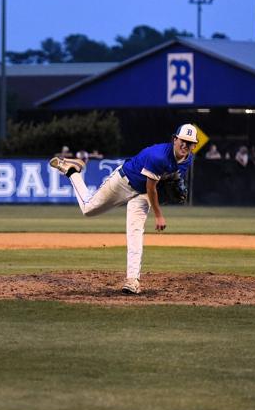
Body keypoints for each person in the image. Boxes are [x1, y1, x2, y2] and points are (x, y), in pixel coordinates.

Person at [49, 124, 197, 295]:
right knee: (88, 209)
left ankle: (132, 280)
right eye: (183, 141)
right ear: (174, 139)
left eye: (190, 142)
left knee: (135, 231)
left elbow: (171, 179)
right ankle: (72, 171)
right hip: (124, 182)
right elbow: (151, 188)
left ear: (194, 145)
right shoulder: (159, 157)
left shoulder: (188, 159)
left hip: (141, 195)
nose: (185, 145)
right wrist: (159, 216)